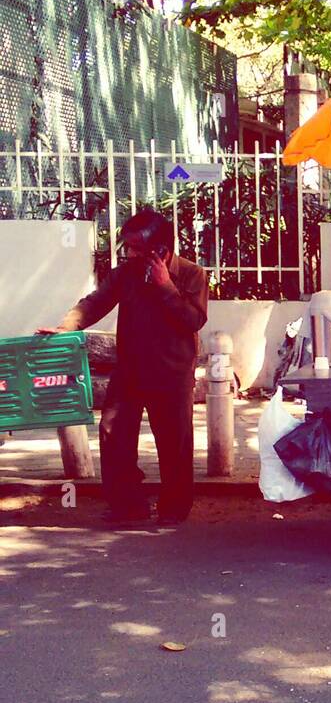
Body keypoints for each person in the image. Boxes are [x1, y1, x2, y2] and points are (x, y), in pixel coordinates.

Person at [38, 207, 208, 527]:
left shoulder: (191, 275)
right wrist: (66, 328)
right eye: (127, 247)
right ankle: (128, 505)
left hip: (172, 374)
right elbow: (96, 301)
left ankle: (173, 509)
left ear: (160, 250)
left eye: (136, 248)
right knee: (113, 432)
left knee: (175, 442)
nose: (129, 253)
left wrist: (166, 287)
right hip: (131, 369)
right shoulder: (126, 273)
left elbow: (194, 319)